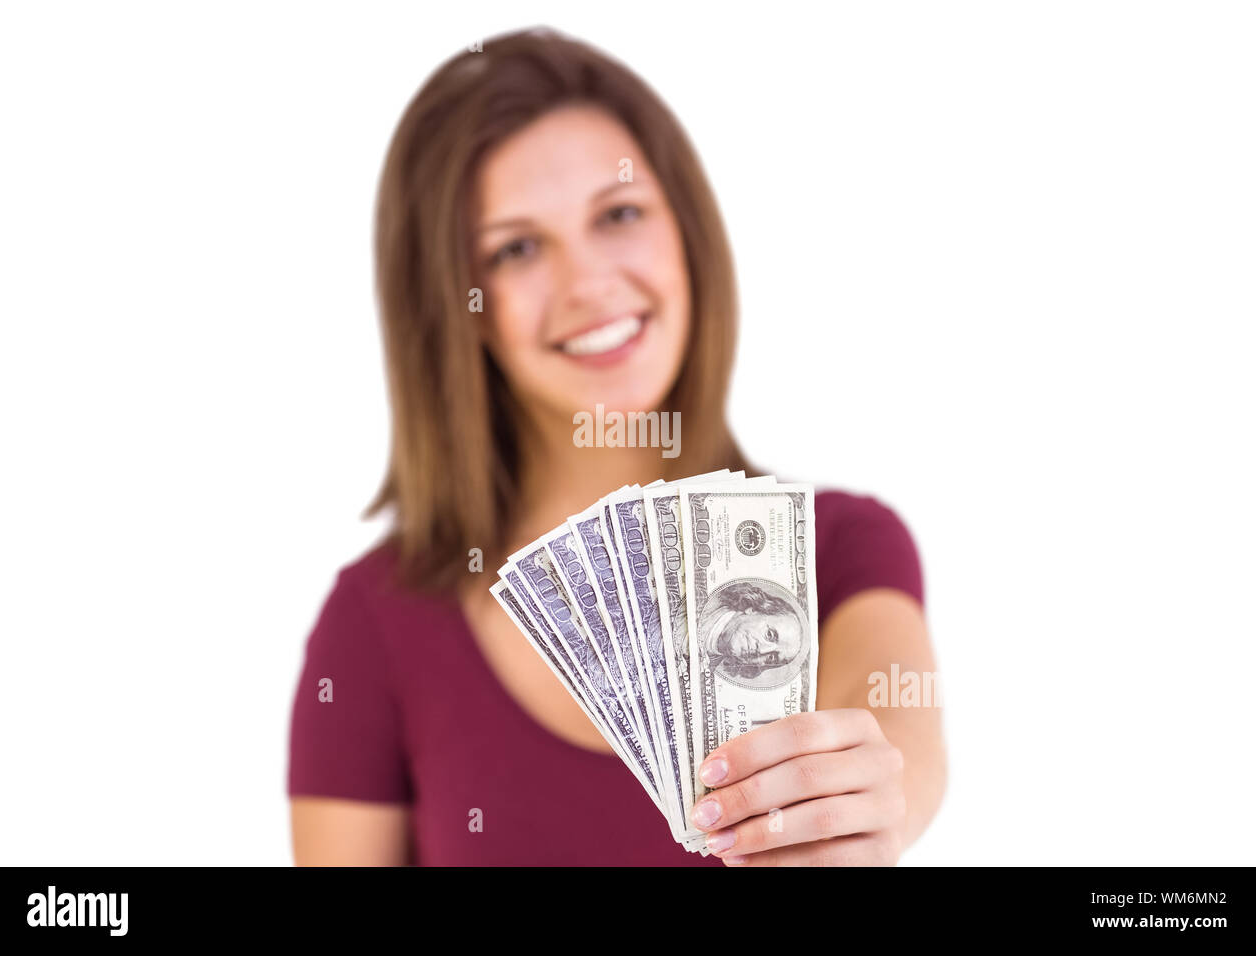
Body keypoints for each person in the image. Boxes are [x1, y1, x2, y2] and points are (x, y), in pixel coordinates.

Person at [287, 26, 946, 866]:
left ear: (687, 236)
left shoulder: (842, 548)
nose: (590, 283)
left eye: (620, 213)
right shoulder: (378, 621)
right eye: (517, 248)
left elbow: (896, 737)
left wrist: (869, 792)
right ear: (457, 303)